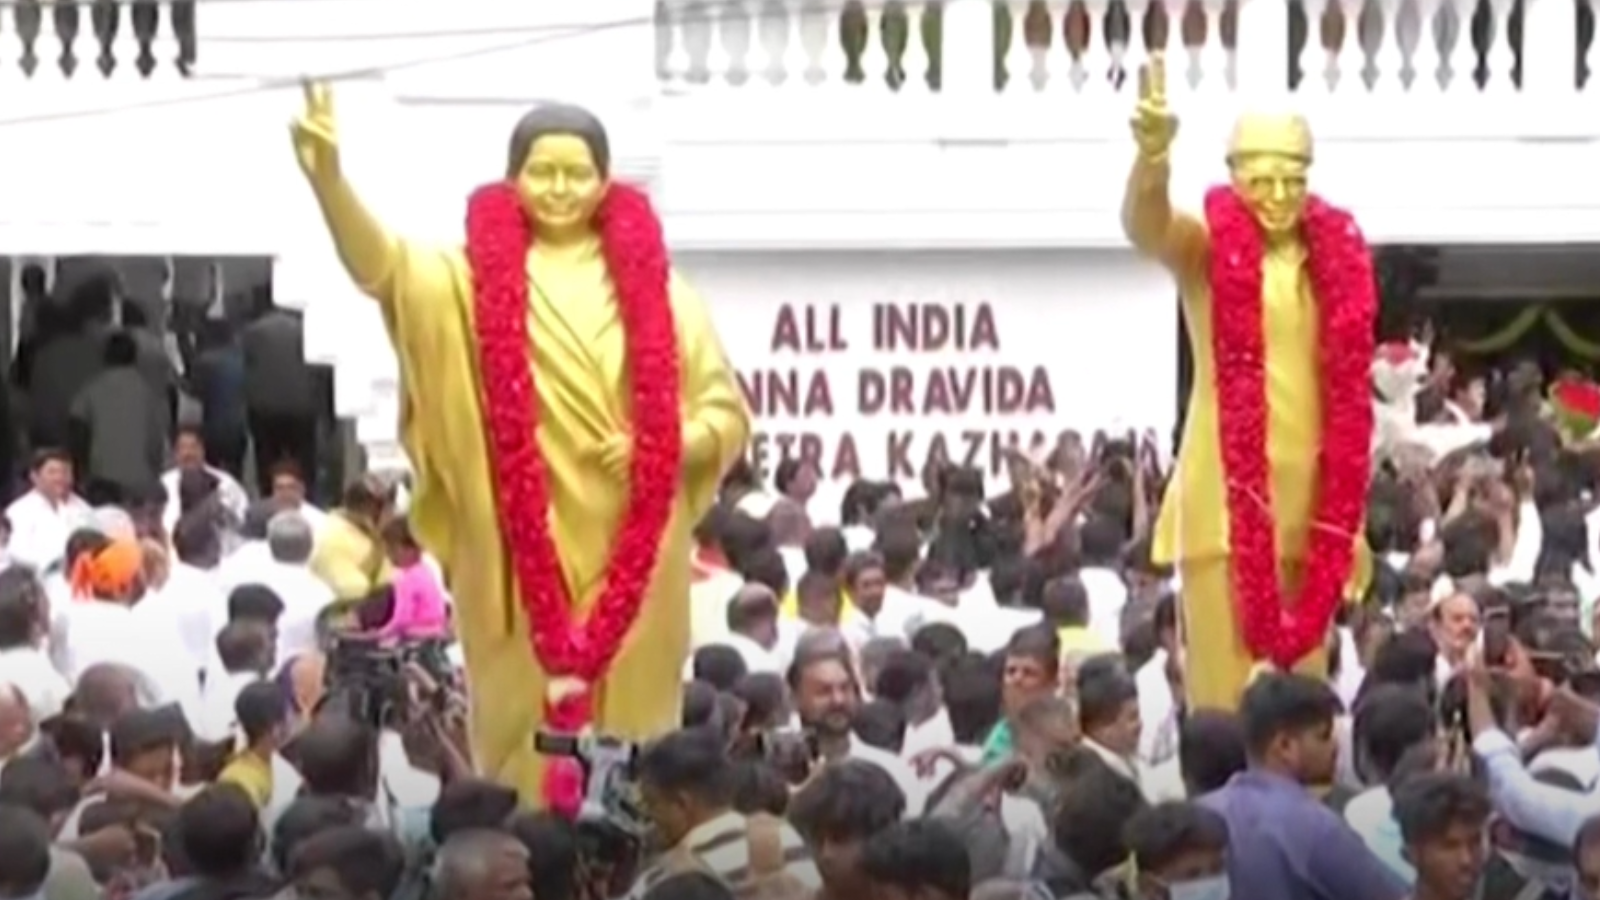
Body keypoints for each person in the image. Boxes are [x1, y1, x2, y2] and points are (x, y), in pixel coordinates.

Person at [291, 85, 749, 805]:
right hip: (512, 558)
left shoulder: (664, 294)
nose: (561, 189)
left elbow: (724, 413)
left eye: (577, 173)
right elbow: (383, 271)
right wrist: (329, 183)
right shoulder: (467, 279)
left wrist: (662, 445)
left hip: (637, 553)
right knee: (522, 747)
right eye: (542, 171)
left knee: (633, 746)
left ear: (605, 181)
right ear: (513, 179)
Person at [1122, 51, 1375, 710]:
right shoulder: (1210, 245)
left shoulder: (1336, 262)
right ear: (1233, 176)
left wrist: (1352, 527)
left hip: (1315, 512)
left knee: (1303, 709)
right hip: (1224, 513)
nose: (1279, 197)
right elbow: (1149, 229)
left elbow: (1345, 404)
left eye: (1293, 179)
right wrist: (1152, 160)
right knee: (1226, 710)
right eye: (1261, 181)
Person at [1199, 673, 1405, 899]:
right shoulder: (1316, 826)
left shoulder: (1203, 813)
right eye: (1323, 736)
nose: (1335, 746)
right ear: (1285, 746)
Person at [68, 331, 168, 508]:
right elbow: (156, 439)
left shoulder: (93, 387)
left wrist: (80, 472)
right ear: (135, 357)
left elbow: (77, 428)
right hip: (140, 479)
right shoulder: (147, 391)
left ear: (105, 356)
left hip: (102, 479)